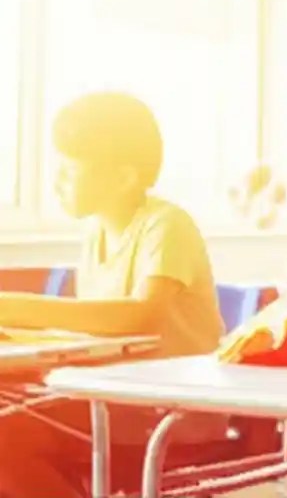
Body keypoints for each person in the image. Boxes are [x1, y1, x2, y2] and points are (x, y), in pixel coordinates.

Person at [0, 92, 225, 497]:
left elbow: (140, 316)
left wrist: (16, 308)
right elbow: (99, 333)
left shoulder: (166, 225)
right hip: (111, 401)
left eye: (70, 169)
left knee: (6, 435)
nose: (56, 180)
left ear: (123, 178)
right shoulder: (95, 234)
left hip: (168, 412)